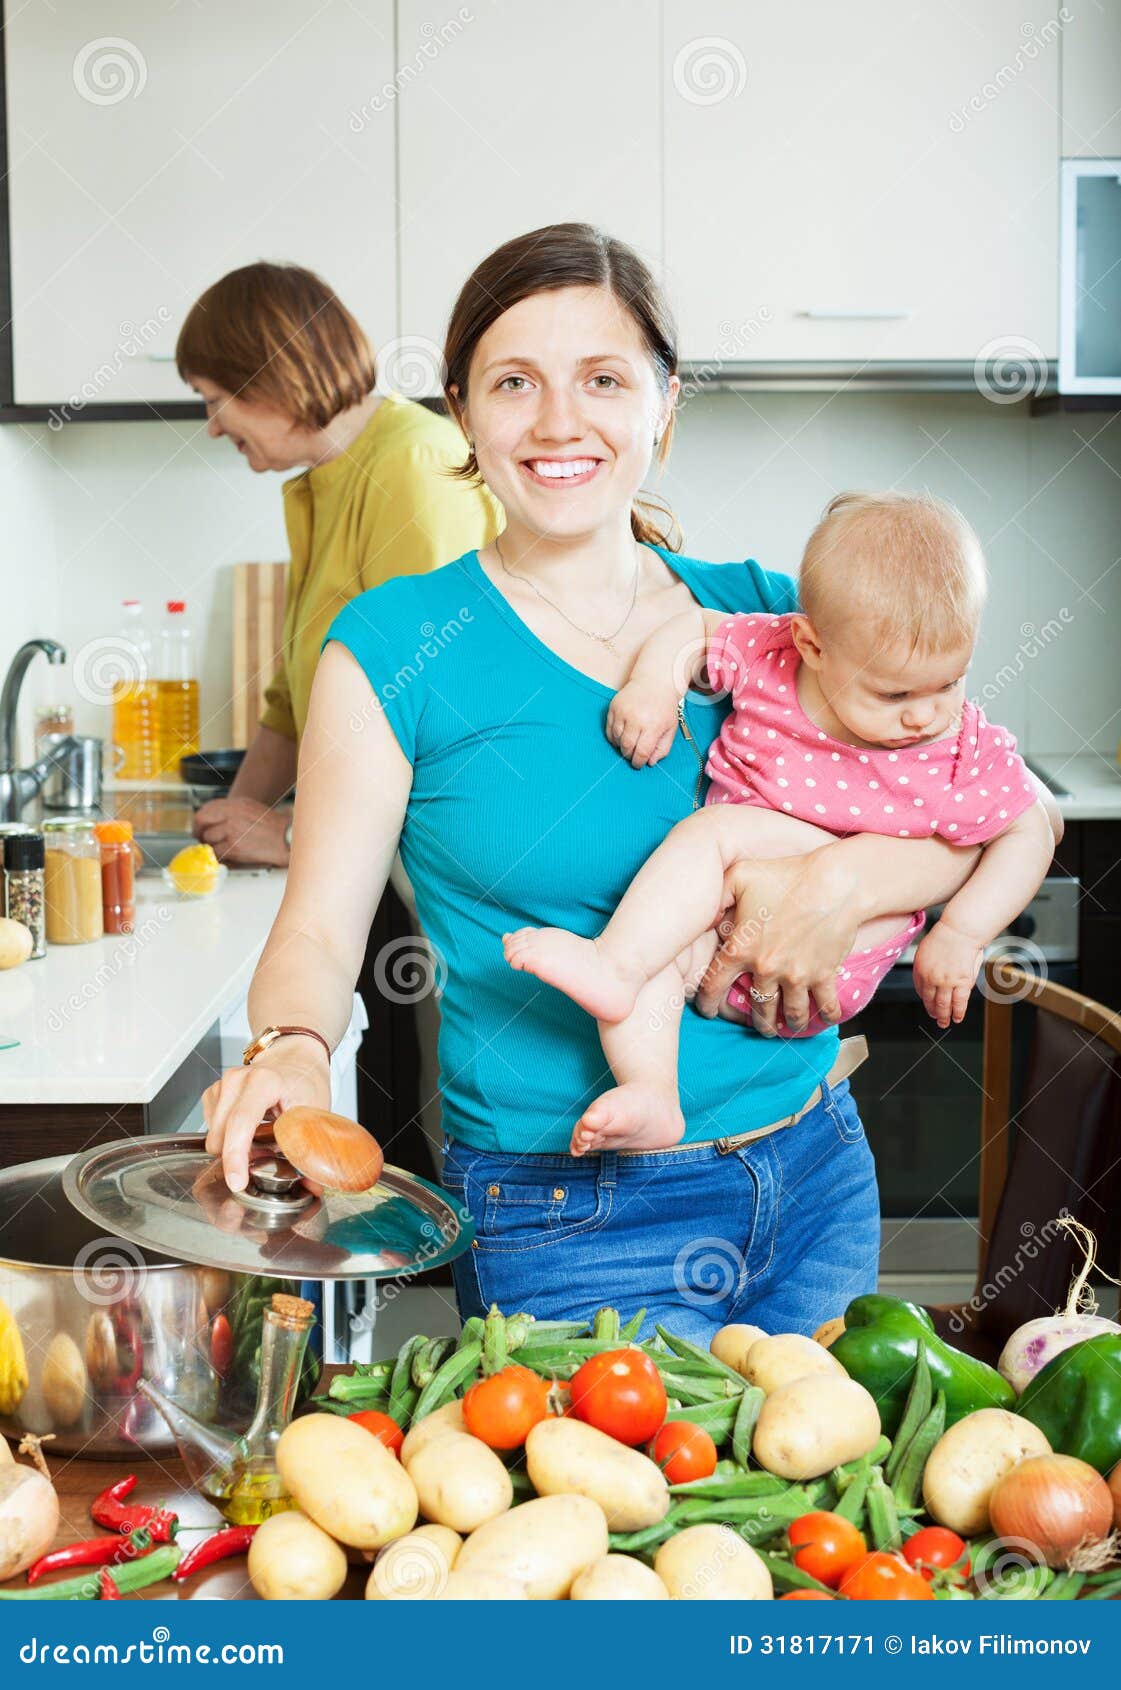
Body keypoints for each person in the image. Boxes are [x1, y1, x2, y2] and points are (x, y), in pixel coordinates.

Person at [201, 224, 1031, 1342]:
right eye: (514, 382)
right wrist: (293, 1050)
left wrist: (841, 884)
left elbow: (991, 810)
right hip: (568, 1212)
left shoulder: (772, 613)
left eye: (602, 379)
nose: (558, 422)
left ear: (663, 405)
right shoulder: (394, 648)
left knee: (822, 1465)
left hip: (813, 1169)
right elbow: (316, 930)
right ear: (461, 411)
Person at [504, 490, 1061, 1156]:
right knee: (661, 950)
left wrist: (964, 932)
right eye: (892, 693)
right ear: (810, 645)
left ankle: (612, 963)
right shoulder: (770, 654)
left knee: (712, 837)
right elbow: (694, 630)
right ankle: (652, 1093)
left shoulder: (959, 745)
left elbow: (1030, 826)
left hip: (842, 955)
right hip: (720, 945)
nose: (924, 715)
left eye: (949, 683)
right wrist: (654, 684)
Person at [176, 260, 501, 867]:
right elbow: (290, 703)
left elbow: (432, 710)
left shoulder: (412, 466)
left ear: (272, 377)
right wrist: (231, 828)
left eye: (215, 400)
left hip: (443, 858)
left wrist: (290, 836)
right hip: (371, 853)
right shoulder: (325, 482)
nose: (213, 427)